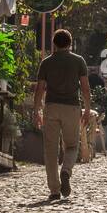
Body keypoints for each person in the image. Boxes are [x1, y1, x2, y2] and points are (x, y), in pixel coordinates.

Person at [31, 29, 91, 202]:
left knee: (50, 150)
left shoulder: (46, 62)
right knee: (72, 145)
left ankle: (54, 190)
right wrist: (87, 109)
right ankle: (66, 170)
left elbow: (40, 88)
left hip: (51, 107)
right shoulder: (79, 61)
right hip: (72, 108)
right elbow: (85, 87)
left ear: (54, 44)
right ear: (70, 43)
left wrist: (37, 111)